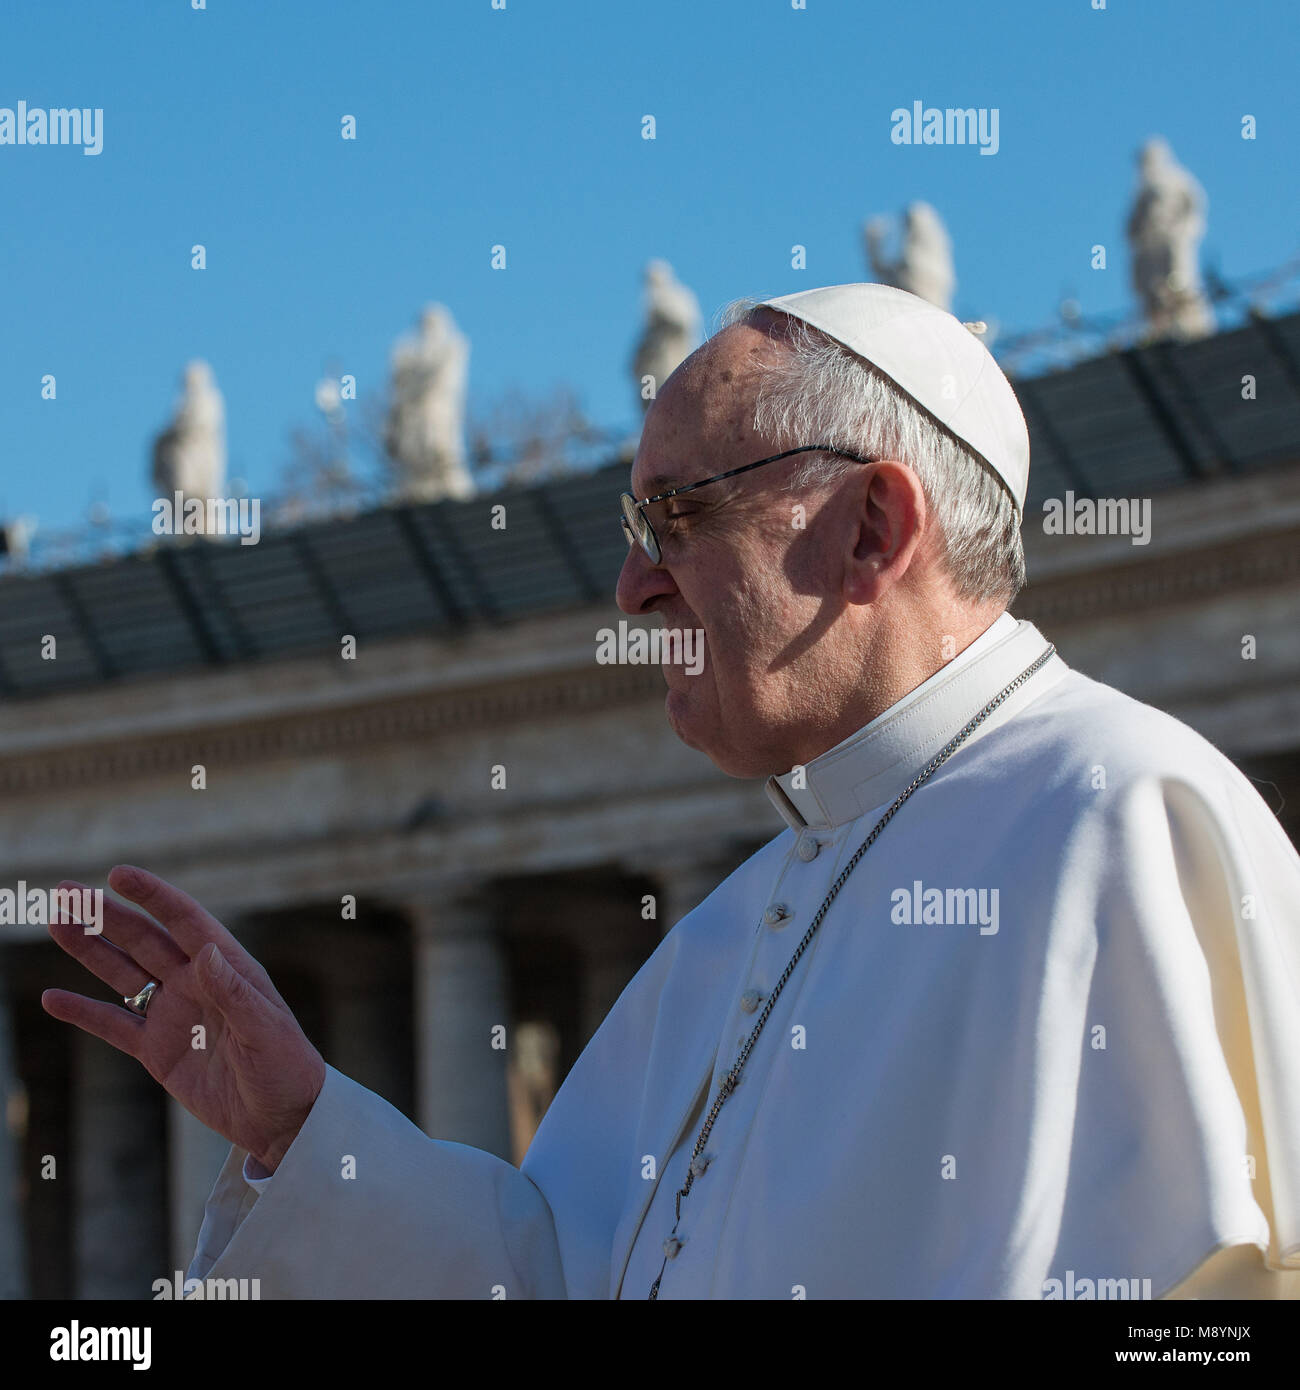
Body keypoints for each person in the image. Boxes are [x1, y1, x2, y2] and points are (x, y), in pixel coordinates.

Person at [43, 283, 1300, 1299]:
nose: (630, 589)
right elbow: (552, 1284)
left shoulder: (1127, 815)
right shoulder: (728, 925)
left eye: (676, 517)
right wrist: (307, 1131)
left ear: (872, 527)